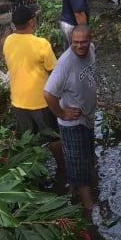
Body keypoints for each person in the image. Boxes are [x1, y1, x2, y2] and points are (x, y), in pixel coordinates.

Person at [44, 24, 98, 214]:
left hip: (88, 117)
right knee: (81, 163)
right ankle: (88, 204)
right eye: (75, 42)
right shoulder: (65, 64)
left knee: (84, 158)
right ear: (70, 42)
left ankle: (71, 190)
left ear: (91, 39)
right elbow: (48, 93)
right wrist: (61, 112)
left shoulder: (91, 49)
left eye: (83, 42)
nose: (79, 46)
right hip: (73, 122)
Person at [2, 5, 63, 168]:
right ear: (32, 22)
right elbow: (54, 73)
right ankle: (62, 168)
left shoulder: (8, 41)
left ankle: (27, 171)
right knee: (54, 137)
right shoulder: (41, 44)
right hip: (41, 103)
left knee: (26, 139)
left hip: (18, 101)